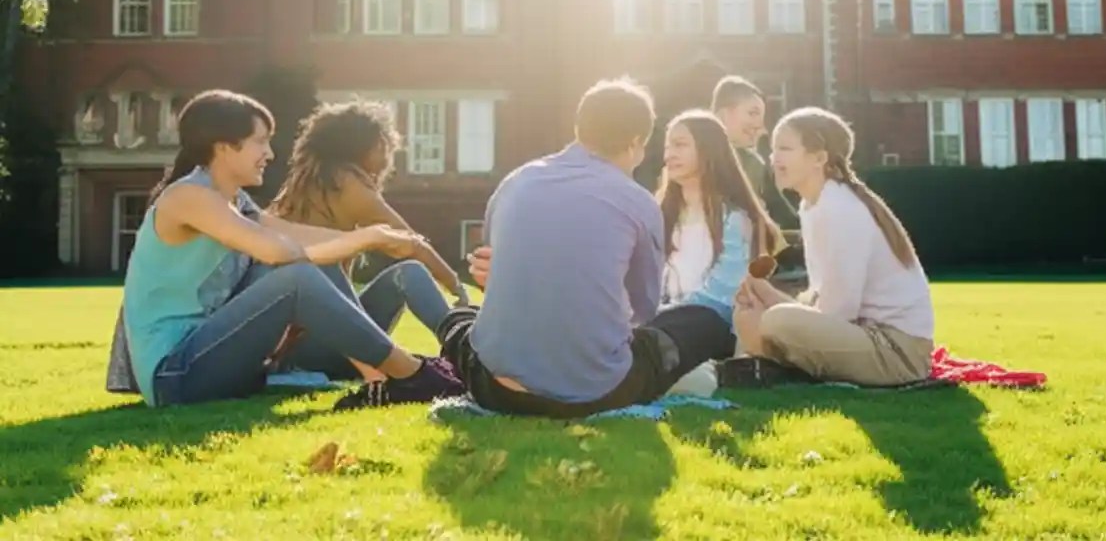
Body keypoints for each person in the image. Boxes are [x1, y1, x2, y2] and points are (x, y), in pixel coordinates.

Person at [120, 89, 458, 409]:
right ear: (223, 147)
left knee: (315, 262)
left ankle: (387, 374)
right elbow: (277, 253)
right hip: (175, 374)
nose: (269, 153)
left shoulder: (236, 202)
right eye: (260, 142)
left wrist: (377, 235)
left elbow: (302, 237)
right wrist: (364, 239)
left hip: (213, 356)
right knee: (296, 276)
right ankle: (413, 375)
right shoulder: (188, 197)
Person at [433, 78, 732, 418]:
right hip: (598, 392)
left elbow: (497, 267)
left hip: (496, 389)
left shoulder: (514, 183)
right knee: (704, 320)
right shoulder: (637, 202)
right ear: (635, 143)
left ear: (579, 128)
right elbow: (642, 310)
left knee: (459, 319)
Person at [265, 100, 470, 380]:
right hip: (318, 348)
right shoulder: (346, 183)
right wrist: (456, 286)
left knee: (402, 273)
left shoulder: (304, 181)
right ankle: (464, 354)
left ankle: (455, 355)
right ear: (367, 147)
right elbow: (411, 244)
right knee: (409, 272)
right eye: (384, 145)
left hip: (312, 343)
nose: (388, 155)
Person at [732, 107, 936, 386]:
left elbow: (839, 312)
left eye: (786, 149)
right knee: (754, 311)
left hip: (896, 351)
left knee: (777, 321)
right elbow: (823, 298)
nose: (774, 158)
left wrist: (773, 311)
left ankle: (767, 364)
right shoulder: (813, 205)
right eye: (774, 149)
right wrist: (766, 295)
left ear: (818, 158)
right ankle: (765, 363)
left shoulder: (841, 209)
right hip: (863, 336)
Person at [656, 110, 782, 394]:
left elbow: (721, 297)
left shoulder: (735, 219)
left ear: (707, 150)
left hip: (707, 325)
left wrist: (665, 316)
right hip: (660, 322)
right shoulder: (659, 216)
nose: (669, 154)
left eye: (680, 144)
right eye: (667, 146)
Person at [711, 75, 798, 232]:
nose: (759, 126)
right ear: (723, 115)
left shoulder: (754, 165)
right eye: (752, 113)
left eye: (761, 118)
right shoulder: (691, 161)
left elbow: (787, 221)